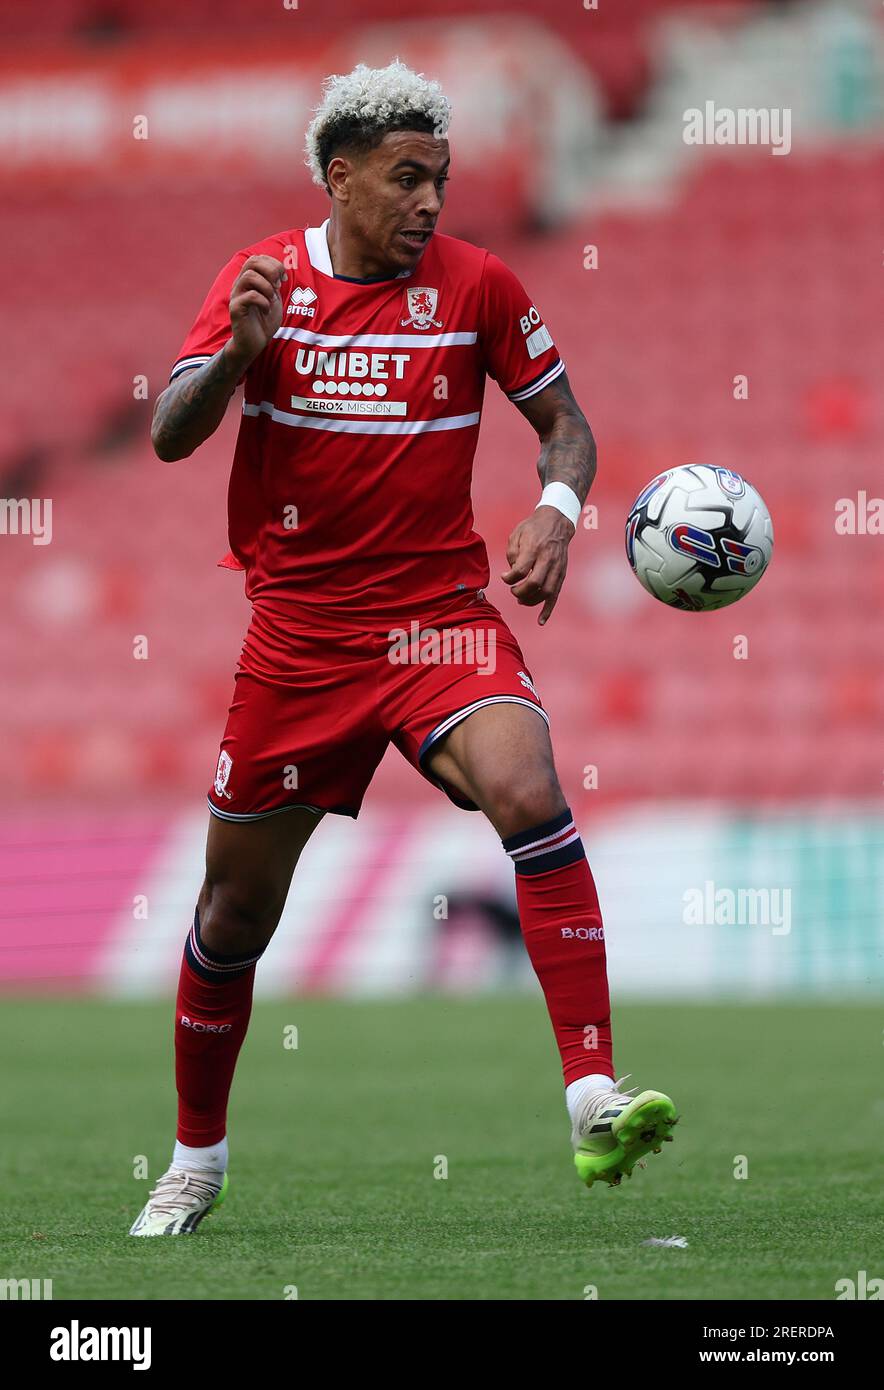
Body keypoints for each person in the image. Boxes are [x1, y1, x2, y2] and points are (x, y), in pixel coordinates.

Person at [130, 59, 677, 1237]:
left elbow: (565, 427)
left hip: (438, 624)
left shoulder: (477, 286)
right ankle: (195, 1158)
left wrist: (554, 509)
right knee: (232, 920)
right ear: (339, 176)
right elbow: (171, 437)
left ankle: (590, 1092)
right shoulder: (261, 280)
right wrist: (237, 352)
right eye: (406, 177)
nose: (430, 200)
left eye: (441, 177)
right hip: (301, 639)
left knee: (528, 788)